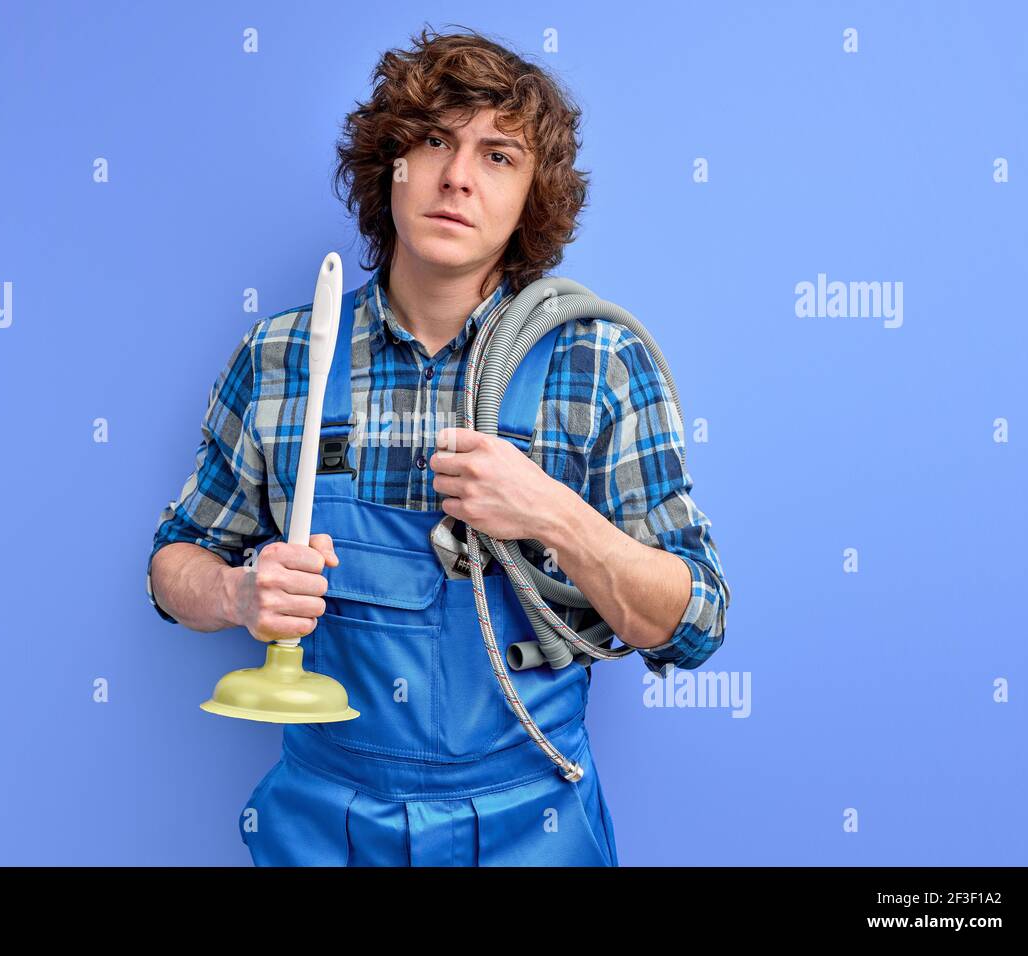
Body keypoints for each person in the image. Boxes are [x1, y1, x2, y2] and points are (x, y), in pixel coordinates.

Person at [146, 26, 730, 866]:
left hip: (533, 823)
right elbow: (173, 566)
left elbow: (694, 621)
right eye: (433, 141)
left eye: (499, 157)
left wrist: (553, 513)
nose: (458, 177)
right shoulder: (284, 356)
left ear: (532, 197)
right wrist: (238, 595)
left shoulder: (596, 362)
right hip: (325, 824)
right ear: (391, 163)